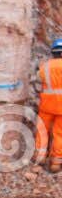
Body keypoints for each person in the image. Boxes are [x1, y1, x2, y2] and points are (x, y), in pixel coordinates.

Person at [39, 38, 62, 173]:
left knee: (42, 130)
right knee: (60, 133)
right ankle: (56, 163)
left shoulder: (45, 66)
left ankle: (40, 157)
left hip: (46, 105)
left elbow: (39, 79)